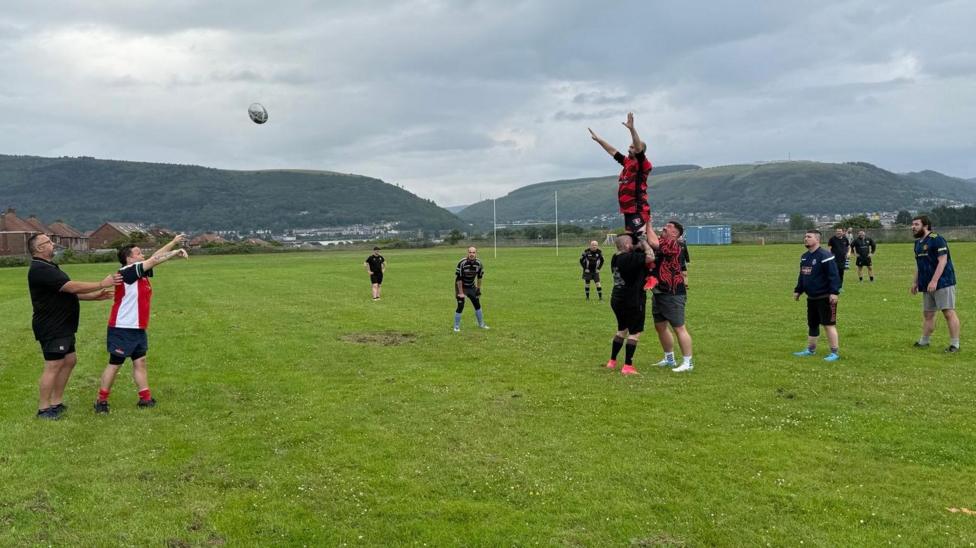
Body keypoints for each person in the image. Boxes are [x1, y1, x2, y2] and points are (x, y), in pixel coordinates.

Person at [26, 233, 118, 419]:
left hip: (63, 325)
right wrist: (101, 283)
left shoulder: (50, 267)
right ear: (39, 249)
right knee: (54, 364)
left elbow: (64, 293)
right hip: (52, 326)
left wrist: (94, 296)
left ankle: (56, 402)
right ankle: (44, 409)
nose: (52, 244)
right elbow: (71, 287)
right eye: (48, 242)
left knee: (69, 361)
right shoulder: (40, 269)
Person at [94, 235, 188, 413]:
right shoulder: (128, 271)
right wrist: (176, 251)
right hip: (122, 327)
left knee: (140, 361)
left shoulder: (139, 270)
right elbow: (154, 259)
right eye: (138, 253)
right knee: (115, 363)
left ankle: (145, 399)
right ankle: (101, 401)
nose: (142, 255)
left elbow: (155, 257)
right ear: (129, 258)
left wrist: (174, 242)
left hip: (137, 327)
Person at [588, 112, 652, 239]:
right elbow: (613, 151)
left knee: (639, 240)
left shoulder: (642, 164)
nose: (629, 149)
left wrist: (632, 129)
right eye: (629, 146)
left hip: (638, 209)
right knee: (629, 240)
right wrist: (599, 140)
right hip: (628, 210)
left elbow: (639, 149)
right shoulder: (627, 163)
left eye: (632, 147)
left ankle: (650, 256)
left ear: (639, 150)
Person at [646, 220, 694, 372]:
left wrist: (648, 224)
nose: (665, 227)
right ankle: (669, 359)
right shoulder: (661, 241)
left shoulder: (675, 244)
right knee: (660, 326)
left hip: (672, 292)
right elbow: (650, 242)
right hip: (659, 291)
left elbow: (653, 243)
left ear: (675, 233)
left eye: (669, 226)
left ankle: (688, 362)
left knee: (679, 328)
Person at [605, 234, 654, 375]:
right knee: (634, 332)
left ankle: (612, 361)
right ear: (627, 246)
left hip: (617, 298)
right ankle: (628, 366)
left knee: (622, 329)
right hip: (632, 299)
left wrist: (636, 246)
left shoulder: (616, 257)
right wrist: (644, 243)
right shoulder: (629, 258)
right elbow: (650, 257)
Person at [910, 215, 960, 353]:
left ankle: (955, 345)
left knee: (948, 312)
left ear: (925, 225)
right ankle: (924, 341)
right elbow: (919, 264)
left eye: (916, 224)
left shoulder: (937, 239)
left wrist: (934, 280)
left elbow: (942, 261)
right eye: (912, 224)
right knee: (928, 314)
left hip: (943, 282)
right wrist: (915, 282)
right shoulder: (918, 243)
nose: (912, 227)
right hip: (926, 284)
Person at [793, 229, 842, 362]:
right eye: (805, 236)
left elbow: (834, 276)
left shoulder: (825, 256)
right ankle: (810, 349)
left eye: (809, 236)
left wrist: (834, 292)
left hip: (825, 297)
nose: (805, 238)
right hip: (812, 298)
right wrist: (798, 290)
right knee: (812, 324)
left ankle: (834, 353)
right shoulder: (804, 257)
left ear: (817, 240)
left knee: (828, 324)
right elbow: (803, 275)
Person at [454, 246, 488, 331]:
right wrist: (461, 293)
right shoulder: (462, 263)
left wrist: (478, 289)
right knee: (460, 305)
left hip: (471, 286)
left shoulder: (479, 263)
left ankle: (481, 324)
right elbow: (459, 279)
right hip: (461, 286)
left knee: (477, 304)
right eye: (470, 252)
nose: (471, 254)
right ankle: (456, 327)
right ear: (467, 253)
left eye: (473, 252)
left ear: (476, 253)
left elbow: (479, 277)